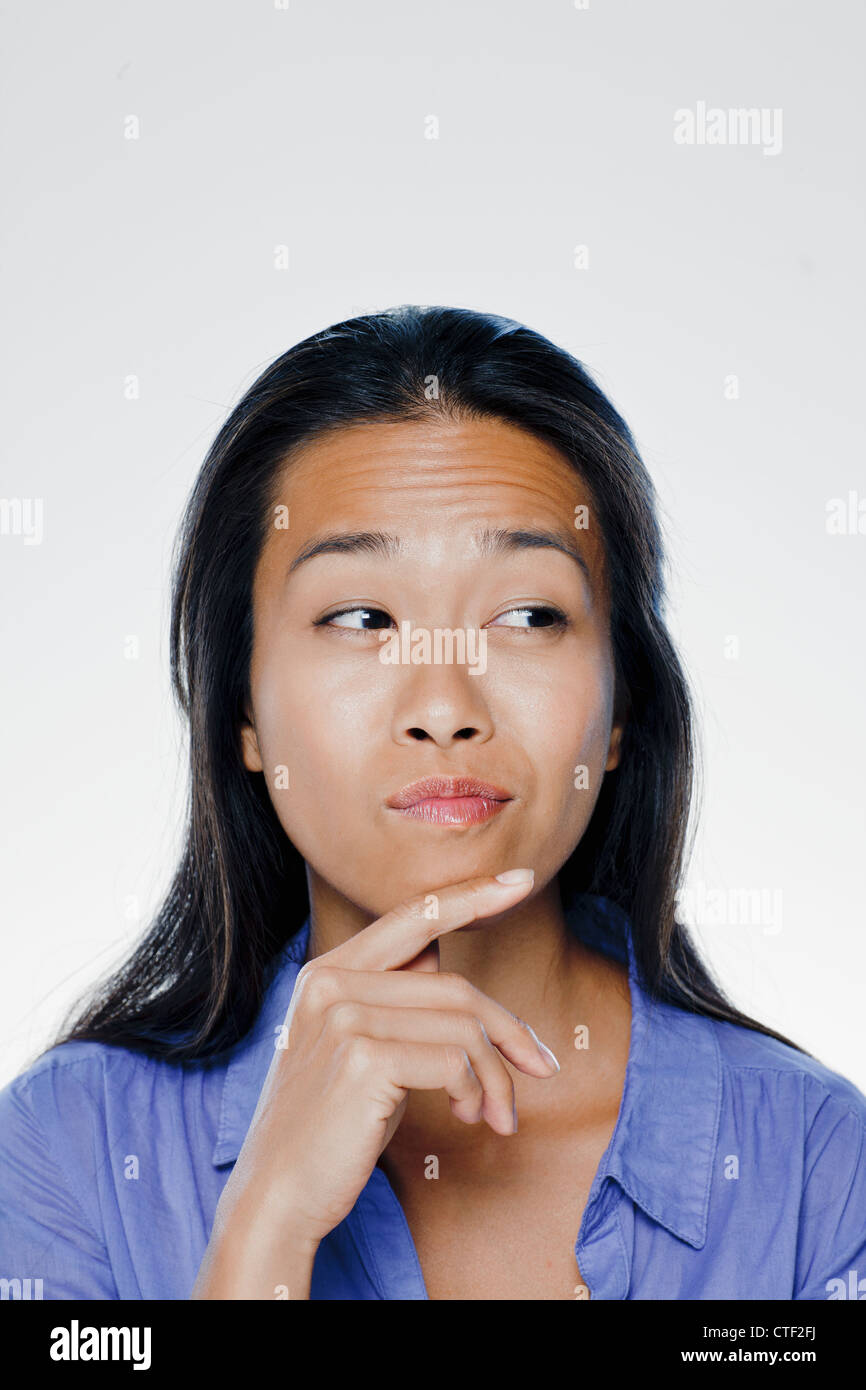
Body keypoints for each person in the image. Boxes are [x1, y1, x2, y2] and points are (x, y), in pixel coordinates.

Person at [1, 306, 864, 1300]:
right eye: (361, 617)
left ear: (621, 703)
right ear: (242, 710)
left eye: (527, 615)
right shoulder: (68, 1150)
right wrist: (265, 1226)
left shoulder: (814, 1167)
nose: (444, 705)